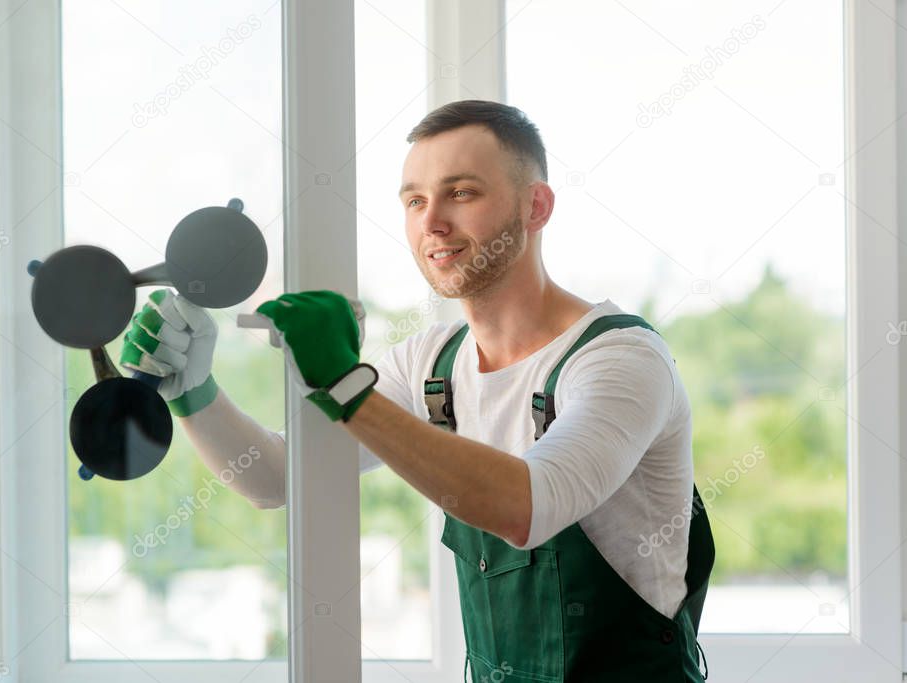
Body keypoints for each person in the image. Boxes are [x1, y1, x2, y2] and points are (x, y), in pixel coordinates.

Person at [120, 99, 714, 682]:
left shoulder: (620, 359)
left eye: (462, 192)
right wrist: (194, 393)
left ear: (536, 207)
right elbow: (279, 478)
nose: (432, 223)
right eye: (414, 200)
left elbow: (529, 505)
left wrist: (345, 385)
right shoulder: (432, 364)